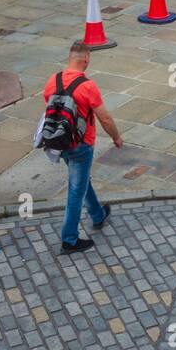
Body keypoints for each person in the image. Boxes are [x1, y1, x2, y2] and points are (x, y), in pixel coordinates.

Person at [43, 41, 124, 255]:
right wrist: (116, 137)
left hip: (59, 142)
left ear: (70, 58)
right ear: (86, 59)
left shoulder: (52, 80)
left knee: (82, 179)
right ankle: (69, 240)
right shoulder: (87, 86)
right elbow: (104, 118)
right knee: (76, 191)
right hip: (81, 144)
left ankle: (98, 215)